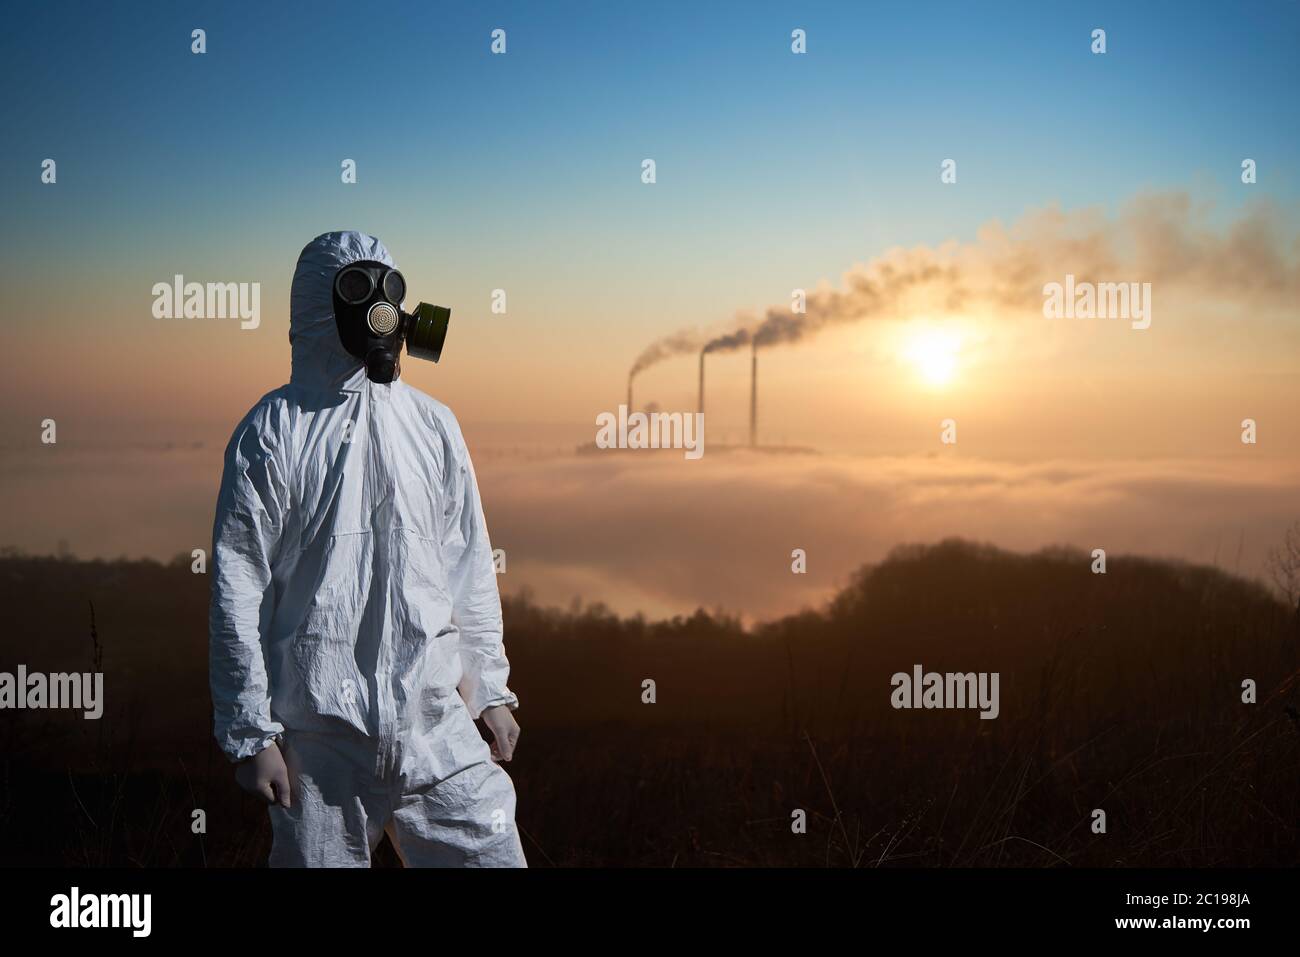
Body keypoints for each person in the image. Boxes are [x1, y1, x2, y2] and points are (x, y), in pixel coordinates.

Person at [208, 231, 525, 867]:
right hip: (320, 747)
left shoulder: (433, 424)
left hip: (437, 726)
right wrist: (250, 736)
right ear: (318, 307)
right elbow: (236, 589)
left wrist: (488, 688)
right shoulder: (272, 432)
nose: (378, 306)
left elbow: (469, 565)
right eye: (357, 288)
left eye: (387, 287)